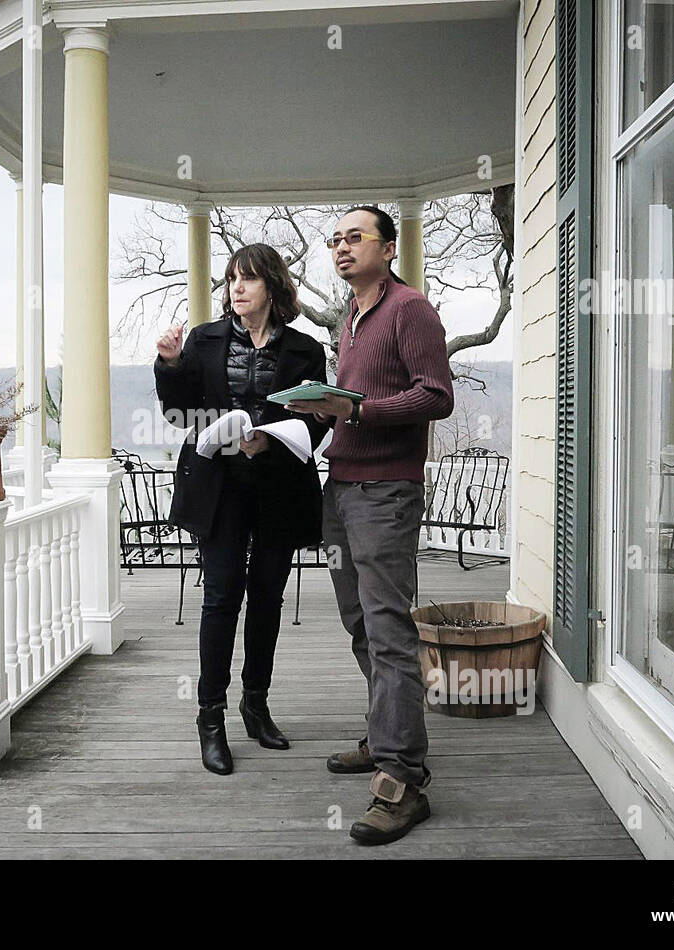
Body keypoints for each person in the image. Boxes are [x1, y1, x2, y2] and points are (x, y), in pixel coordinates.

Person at [288, 206, 453, 844]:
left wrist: (357, 411)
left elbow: (435, 394)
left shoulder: (410, 309)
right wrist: (301, 424)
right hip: (343, 488)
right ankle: (390, 734)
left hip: (386, 491)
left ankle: (402, 779)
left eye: (355, 237)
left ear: (388, 247)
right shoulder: (351, 320)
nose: (341, 247)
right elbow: (349, 409)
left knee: (388, 630)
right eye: (335, 239)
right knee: (361, 622)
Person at [154, 243, 330, 775]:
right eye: (232, 279)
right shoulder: (205, 339)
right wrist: (168, 363)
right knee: (222, 597)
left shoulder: (305, 349)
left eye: (248, 279)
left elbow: (320, 418)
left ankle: (257, 706)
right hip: (218, 487)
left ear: (272, 288)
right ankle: (211, 718)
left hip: (278, 486)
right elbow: (179, 411)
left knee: (268, 599)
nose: (236, 288)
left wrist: (269, 442)